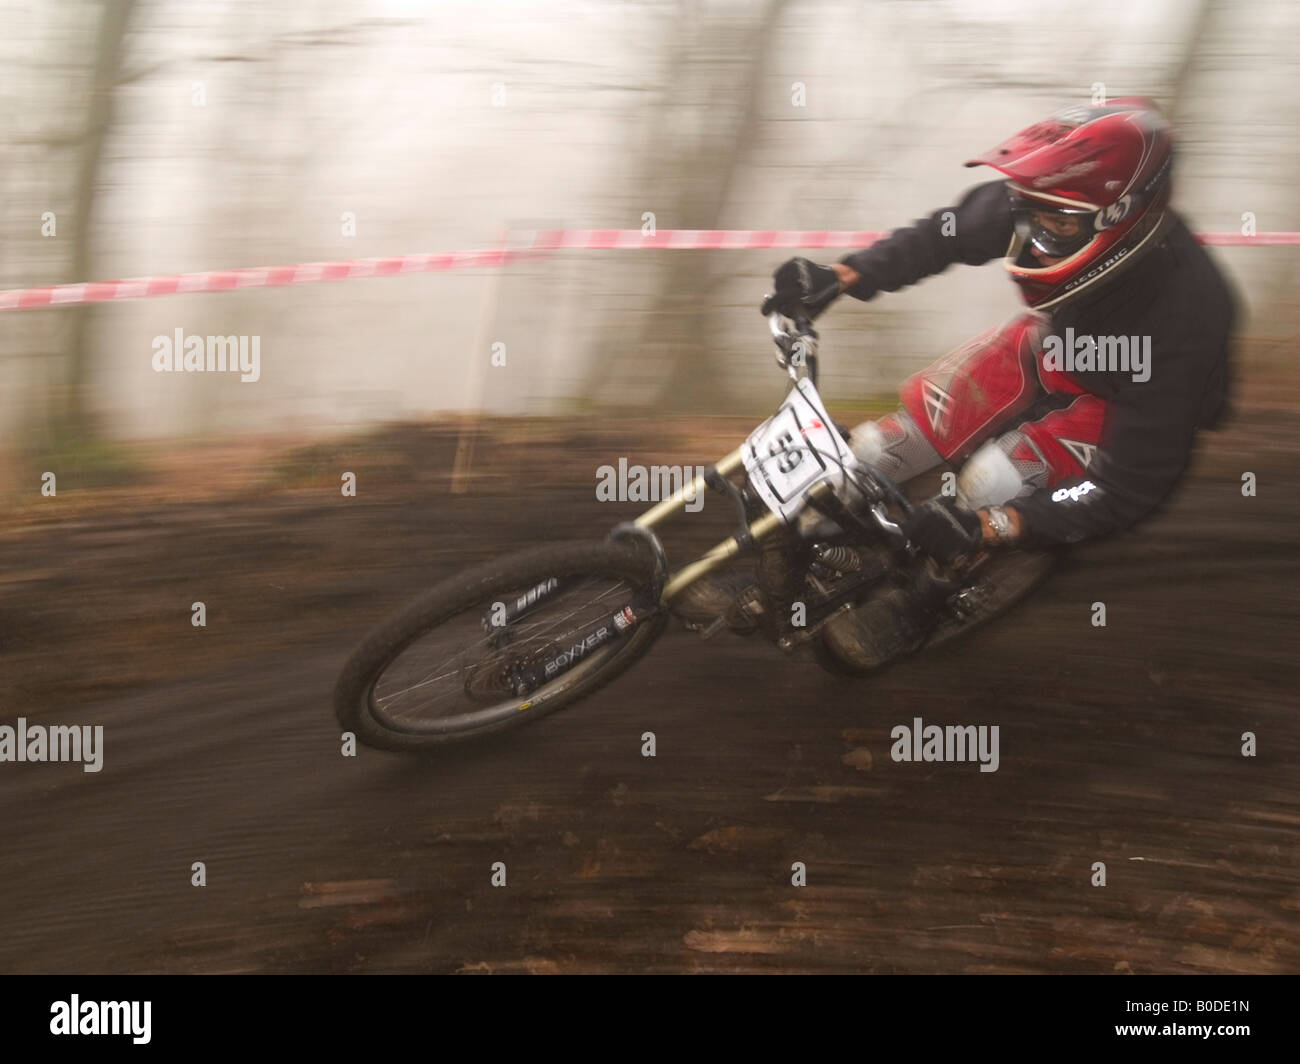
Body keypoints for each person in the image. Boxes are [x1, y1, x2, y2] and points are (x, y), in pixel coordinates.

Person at [680, 98, 1236, 669]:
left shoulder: (1190, 313)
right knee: (874, 449)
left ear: (1125, 213)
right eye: (1029, 212)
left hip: (1125, 403)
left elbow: (1124, 491)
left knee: (987, 485)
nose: (1034, 233)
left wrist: (992, 526)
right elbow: (943, 237)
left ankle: (928, 599)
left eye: (1057, 223)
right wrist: (843, 276)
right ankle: (798, 565)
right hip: (1053, 348)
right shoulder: (1055, 198)